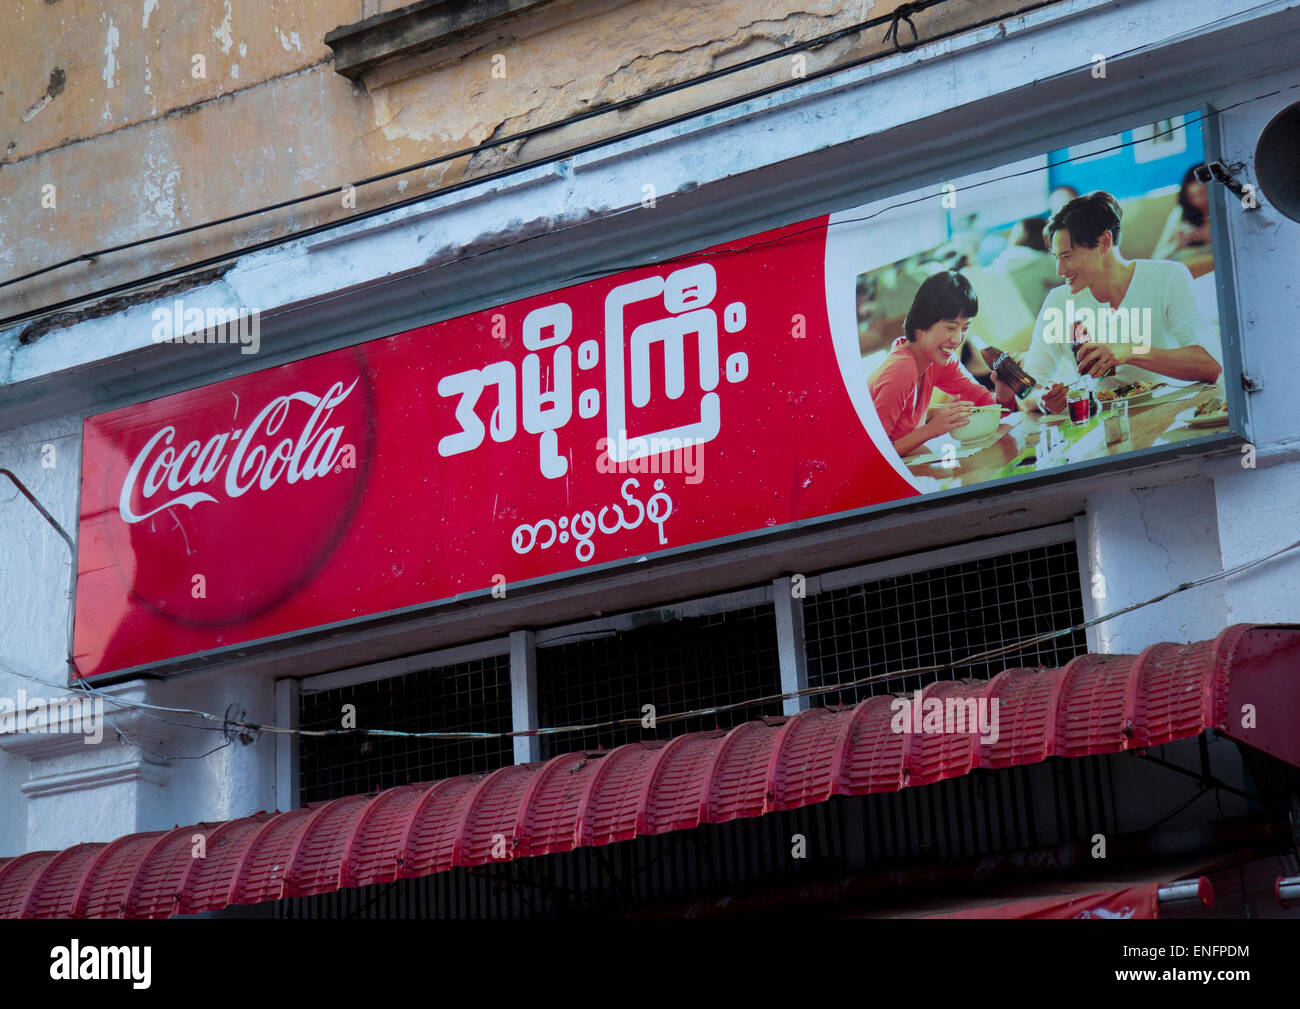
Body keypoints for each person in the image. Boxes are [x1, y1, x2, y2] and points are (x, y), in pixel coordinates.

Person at [1022, 191, 1221, 415]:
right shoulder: (1059, 301)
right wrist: (1043, 401)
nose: (1060, 271)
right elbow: (1028, 388)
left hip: (1178, 412)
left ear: (1104, 242)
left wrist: (1129, 351)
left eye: (1067, 256)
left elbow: (1211, 365)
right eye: (1057, 258)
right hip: (1105, 423)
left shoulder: (1167, 277)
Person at [868, 271, 1014, 458]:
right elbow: (873, 453)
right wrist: (931, 429)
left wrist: (1003, 392)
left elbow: (990, 408)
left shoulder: (939, 361)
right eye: (950, 328)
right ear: (921, 325)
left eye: (965, 328)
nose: (957, 339)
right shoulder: (901, 369)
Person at [1151, 166, 1211, 260]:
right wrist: (1177, 244)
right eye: (1192, 197)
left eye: (1202, 193)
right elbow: (1156, 258)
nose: (1199, 201)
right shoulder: (1180, 212)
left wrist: (1212, 237)